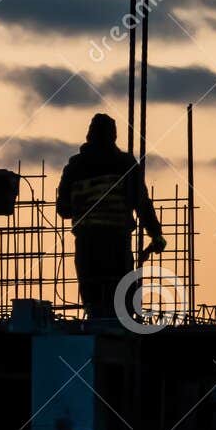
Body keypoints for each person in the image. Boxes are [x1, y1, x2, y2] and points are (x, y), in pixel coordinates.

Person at [56, 113, 166, 321]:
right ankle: (119, 338)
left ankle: (98, 333)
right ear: (113, 137)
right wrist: (156, 234)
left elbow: (63, 209)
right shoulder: (125, 164)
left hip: (87, 243)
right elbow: (141, 203)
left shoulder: (75, 167)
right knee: (120, 297)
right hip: (116, 241)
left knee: (93, 298)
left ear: (89, 136)